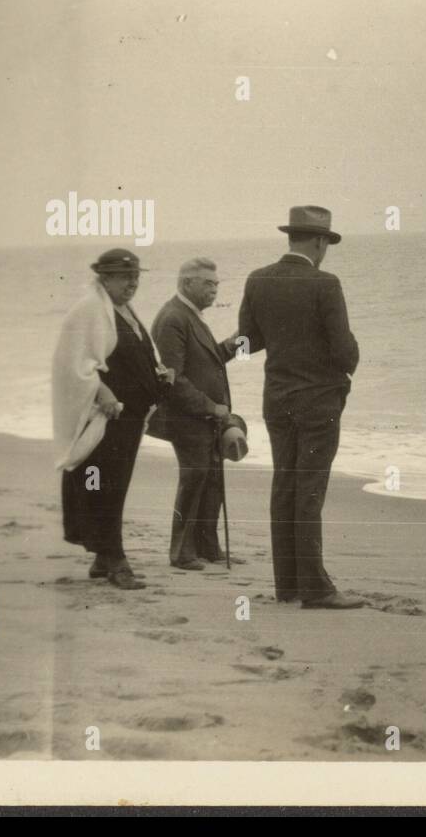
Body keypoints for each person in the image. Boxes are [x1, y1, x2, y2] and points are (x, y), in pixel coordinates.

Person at [235, 206, 365, 609]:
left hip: (277, 400)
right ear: (320, 242)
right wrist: (350, 355)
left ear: (291, 237)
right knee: (309, 490)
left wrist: (214, 353)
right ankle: (315, 589)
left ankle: (287, 584)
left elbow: (248, 341)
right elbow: (344, 352)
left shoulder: (258, 279)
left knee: (284, 487)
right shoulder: (326, 284)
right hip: (318, 404)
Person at [52, 248, 174, 590]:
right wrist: (101, 391)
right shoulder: (89, 309)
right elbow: (71, 363)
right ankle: (116, 561)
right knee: (103, 485)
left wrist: (159, 374)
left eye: (135, 277)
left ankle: (103, 559)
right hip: (105, 417)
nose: (132, 283)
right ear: (104, 278)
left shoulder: (122, 309)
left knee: (113, 486)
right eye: (124, 277)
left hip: (129, 417)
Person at [146, 257, 246, 571]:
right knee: (194, 478)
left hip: (204, 418)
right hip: (186, 417)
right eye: (207, 283)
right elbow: (173, 379)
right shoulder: (173, 317)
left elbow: (209, 360)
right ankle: (181, 552)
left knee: (211, 479)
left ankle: (207, 547)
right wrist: (212, 407)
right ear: (187, 283)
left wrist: (241, 341)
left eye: (216, 284)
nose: (214, 289)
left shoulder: (190, 315)